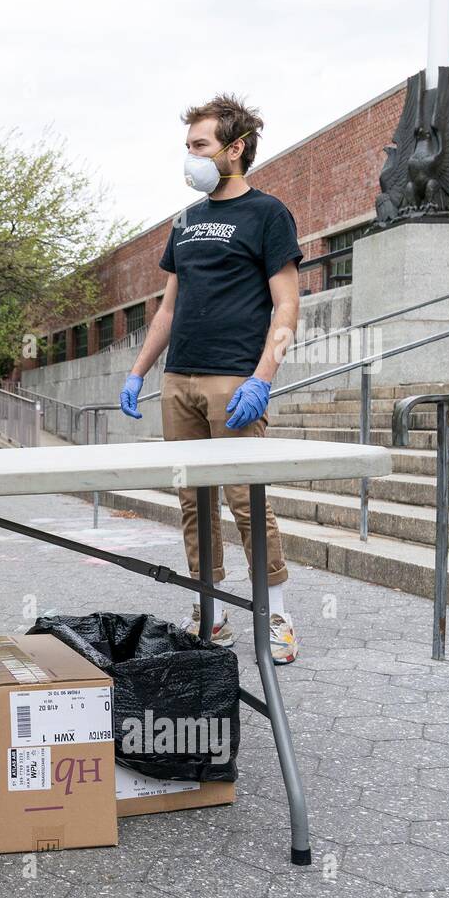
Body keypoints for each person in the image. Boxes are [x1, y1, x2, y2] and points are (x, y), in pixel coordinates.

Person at [119, 94, 301, 664]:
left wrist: (262, 378)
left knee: (247, 499)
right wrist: (137, 370)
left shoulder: (268, 214)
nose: (190, 157)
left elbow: (287, 306)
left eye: (199, 145)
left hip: (233, 380)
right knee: (192, 501)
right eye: (188, 146)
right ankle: (212, 614)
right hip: (180, 382)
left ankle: (276, 618)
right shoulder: (187, 220)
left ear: (235, 148)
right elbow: (168, 309)